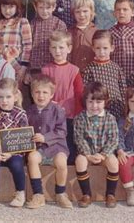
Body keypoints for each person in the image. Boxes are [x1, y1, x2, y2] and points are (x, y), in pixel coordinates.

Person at [25, 74, 72, 209]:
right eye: (37, 92)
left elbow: (62, 132)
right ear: (32, 94)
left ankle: (61, 193)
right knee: (32, 158)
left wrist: (46, 137)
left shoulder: (58, 110)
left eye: (45, 92)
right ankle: (38, 195)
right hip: (39, 148)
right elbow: (24, 130)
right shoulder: (28, 111)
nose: (41, 96)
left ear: (51, 95)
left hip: (57, 147)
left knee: (61, 162)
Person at [74, 82, 119, 208]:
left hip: (104, 153)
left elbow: (113, 139)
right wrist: (88, 155)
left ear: (105, 102)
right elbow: (79, 138)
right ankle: (86, 194)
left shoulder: (110, 118)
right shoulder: (80, 118)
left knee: (114, 163)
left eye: (99, 102)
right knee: (80, 161)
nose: (94, 106)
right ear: (85, 102)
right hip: (87, 153)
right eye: (90, 102)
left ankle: (110, 194)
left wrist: (103, 154)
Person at [0, 78, 28, 208]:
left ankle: (20, 193)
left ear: (15, 97)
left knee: (16, 164)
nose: (4, 101)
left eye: (8, 97)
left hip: (14, 151)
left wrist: (12, 152)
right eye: (1, 97)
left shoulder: (21, 114)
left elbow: (24, 137)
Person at [42, 30, 83, 165]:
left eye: (61, 47)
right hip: (51, 116)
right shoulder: (46, 69)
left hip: (69, 116)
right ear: (49, 49)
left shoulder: (74, 70)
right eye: (54, 47)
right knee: (52, 143)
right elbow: (41, 92)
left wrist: (77, 114)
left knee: (69, 145)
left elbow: (79, 94)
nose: (57, 51)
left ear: (69, 49)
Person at [82, 30, 126, 119]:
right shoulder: (89, 69)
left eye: (105, 48)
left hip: (116, 107)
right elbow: (85, 90)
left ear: (112, 48)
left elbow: (123, 88)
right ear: (93, 48)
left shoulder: (116, 67)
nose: (102, 52)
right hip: (97, 107)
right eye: (98, 48)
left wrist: (124, 105)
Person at [0, 0, 32, 84]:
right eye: (4, 7)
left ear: (17, 7)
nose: (7, 11)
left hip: (16, 67)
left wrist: (23, 68)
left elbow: (27, 47)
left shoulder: (22, 22)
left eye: (11, 7)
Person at [29, 0, 67, 72]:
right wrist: (28, 70)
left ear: (54, 7)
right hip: (34, 69)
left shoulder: (59, 25)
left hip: (53, 68)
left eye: (48, 8)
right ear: (35, 7)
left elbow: (63, 49)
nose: (44, 11)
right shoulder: (32, 24)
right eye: (41, 7)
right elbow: (27, 48)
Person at [110, 0, 134, 78]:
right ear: (114, 13)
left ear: (133, 12)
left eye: (125, 9)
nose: (121, 12)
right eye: (118, 10)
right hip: (116, 74)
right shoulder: (111, 32)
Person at [69, 0, 98, 72]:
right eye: (78, 12)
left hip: (93, 72)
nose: (81, 15)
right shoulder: (69, 32)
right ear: (73, 13)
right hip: (74, 72)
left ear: (91, 12)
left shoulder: (97, 32)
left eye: (85, 11)